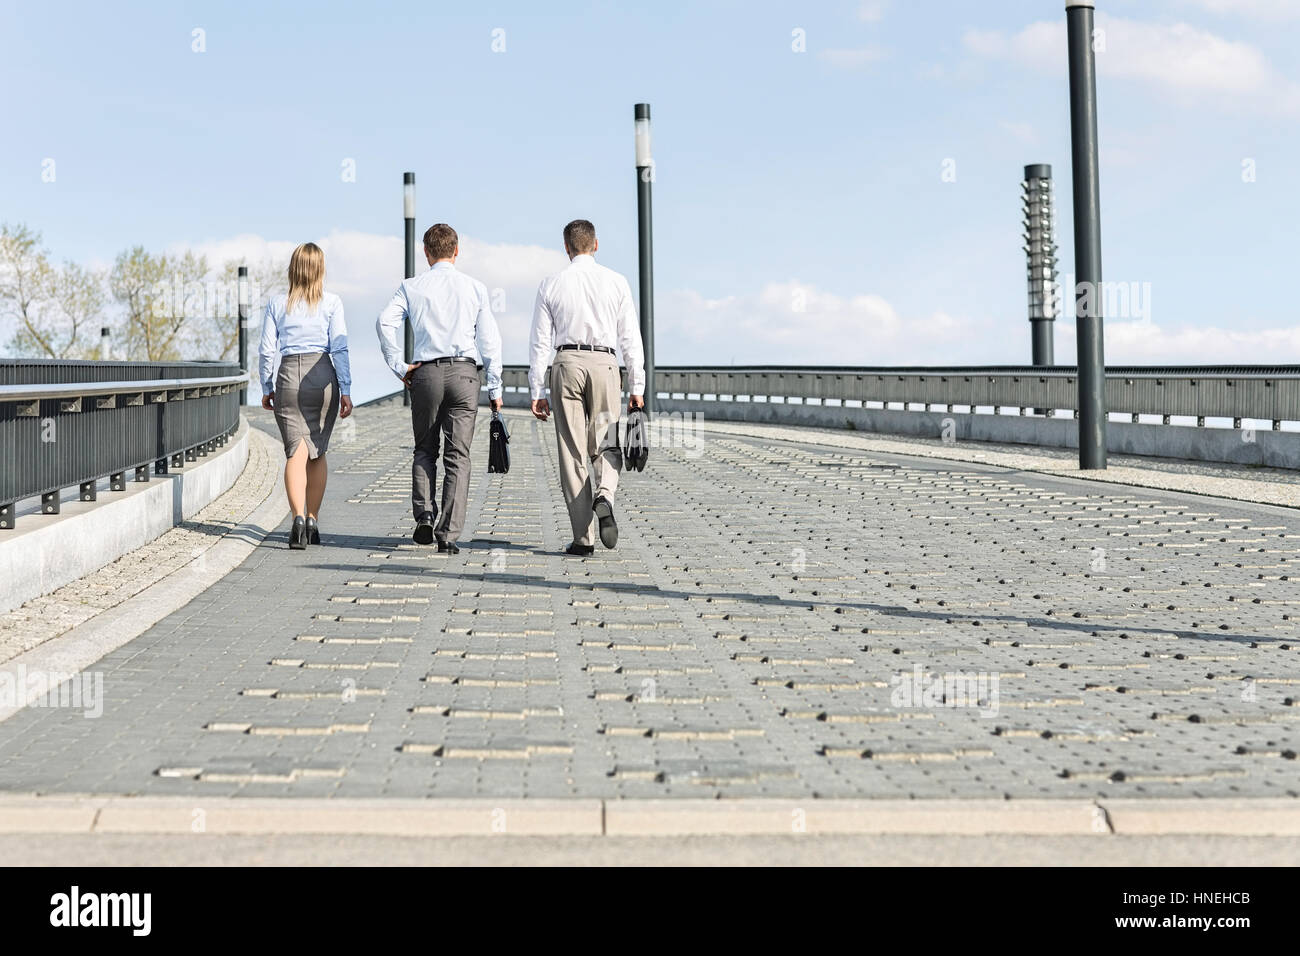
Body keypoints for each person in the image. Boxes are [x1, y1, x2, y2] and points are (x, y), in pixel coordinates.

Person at [376, 223, 503, 554]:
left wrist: (399, 365)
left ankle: (424, 516)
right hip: (465, 374)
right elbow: (490, 340)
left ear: (426, 252)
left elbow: (384, 322)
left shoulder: (410, 287)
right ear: (456, 250)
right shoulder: (475, 288)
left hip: (426, 375)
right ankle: (448, 535)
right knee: (458, 456)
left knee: (425, 449)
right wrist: (495, 387)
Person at [528, 219, 645, 556]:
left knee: (572, 452)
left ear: (566, 248)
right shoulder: (616, 282)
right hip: (605, 363)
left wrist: (537, 390)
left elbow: (540, 342)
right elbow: (630, 337)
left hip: (566, 363)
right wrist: (636, 385)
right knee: (607, 440)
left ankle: (583, 538)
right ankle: (605, 494)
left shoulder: (551, 284)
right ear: (595, 245)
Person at [259, 242, 353, 549]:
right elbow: (339, 348)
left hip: (289, 375)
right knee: (318, 451)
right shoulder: (332, 302)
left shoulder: (277, 303)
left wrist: (266, 387)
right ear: (321, 269)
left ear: (293, 269)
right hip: (322, 375)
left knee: (295, 453)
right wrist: (346, 389)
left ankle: (297, 518)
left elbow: (266, 350)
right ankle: (312, 520)